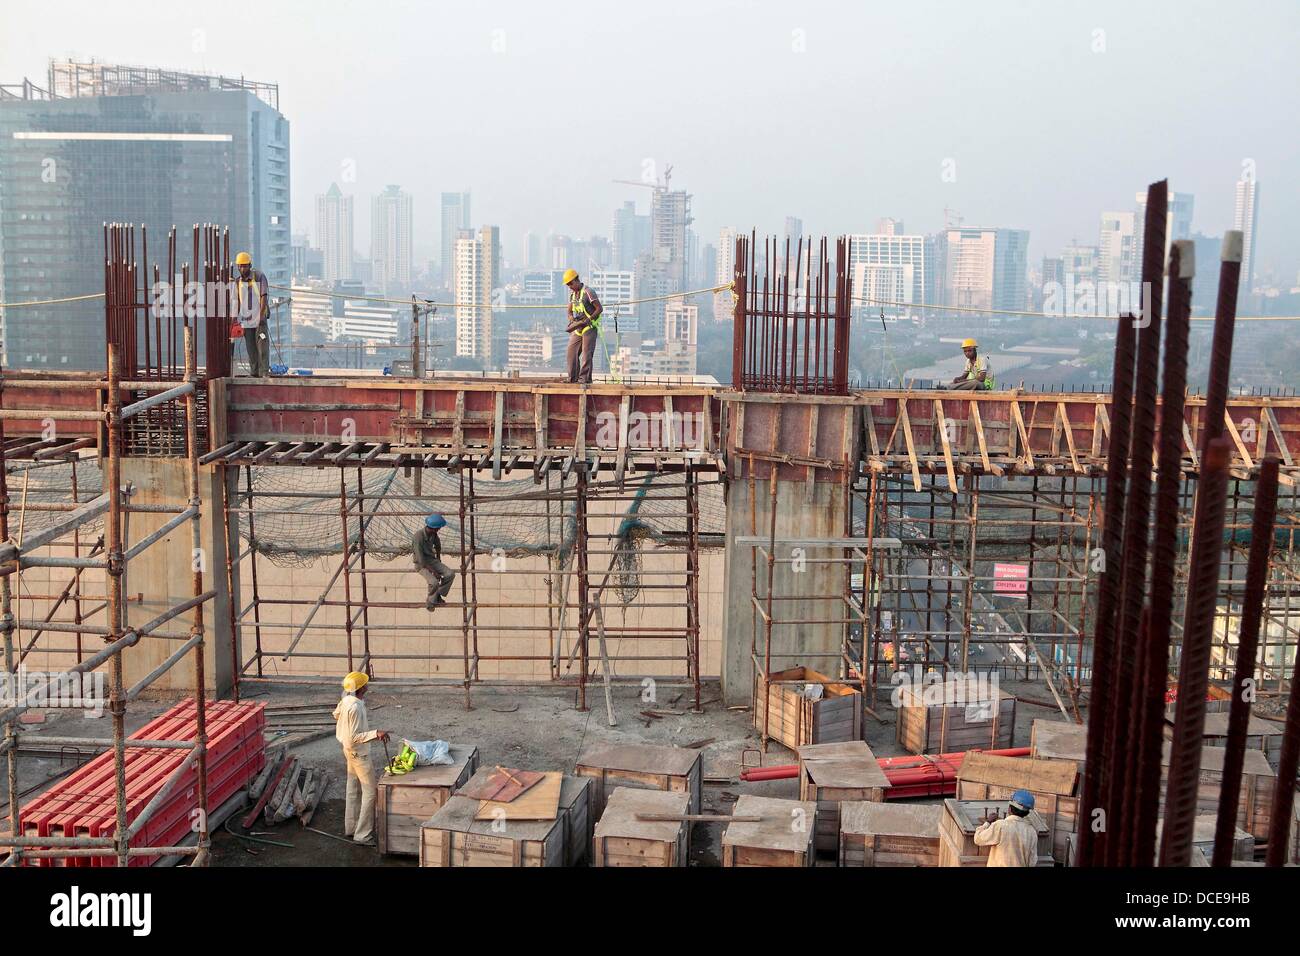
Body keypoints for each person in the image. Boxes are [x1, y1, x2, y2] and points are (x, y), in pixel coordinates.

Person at [332, 671, 389, 845]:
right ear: (361, 687)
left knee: (353, 788)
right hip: (358, 753)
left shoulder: (346, 701)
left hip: (348, 751)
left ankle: (351, 827)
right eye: (365, 683)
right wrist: (375, 734)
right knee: (370, 792)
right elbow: (355, 736)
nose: (367, 684)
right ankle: (363, 835)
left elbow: (335, 714)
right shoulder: (355, 706)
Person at [972, 789, 1040, 866]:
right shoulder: (1032, 831)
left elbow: (978, 839)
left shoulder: (1001, 825)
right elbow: (1032, 861)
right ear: (1027, 812)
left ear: (1009, 809)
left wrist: (988, 822)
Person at [231, 251, 271, 377]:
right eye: (240, 266)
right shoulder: (237, 282)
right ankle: (254, 373)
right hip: (246, 320)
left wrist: (261, 315)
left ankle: (264, 373)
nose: (242, 268)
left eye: (245, 266)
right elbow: (236, 301)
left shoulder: (259, 276)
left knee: (262, 346)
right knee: (251, 348)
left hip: (259, 319)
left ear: (249, 265)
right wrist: (233, 320)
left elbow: (263, 296)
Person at [563, 268, 602, 385]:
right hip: (578, 326)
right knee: (571, 351)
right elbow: (569, 311)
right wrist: (571, 320)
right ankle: (572, 378)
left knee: (586, 353)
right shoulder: (573, 296)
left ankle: (584, 379)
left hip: (589, 326)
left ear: (576, 280)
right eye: (567, 284)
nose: (569, 286)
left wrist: (589, 319)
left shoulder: (588, 292)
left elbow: (599, 308)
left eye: (570, 283)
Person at [413, 513, 454, 610]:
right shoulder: (418, 537)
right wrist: (433, 571)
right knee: (434, 582)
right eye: (438, 528)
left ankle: (438, 594)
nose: (439, 530)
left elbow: (438, 545)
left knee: (450, 574)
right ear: (433, 528)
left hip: (432, 561)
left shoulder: (433, 534)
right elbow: (420, 559)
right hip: (421, 564)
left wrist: (438, 558)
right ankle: (430, 601)